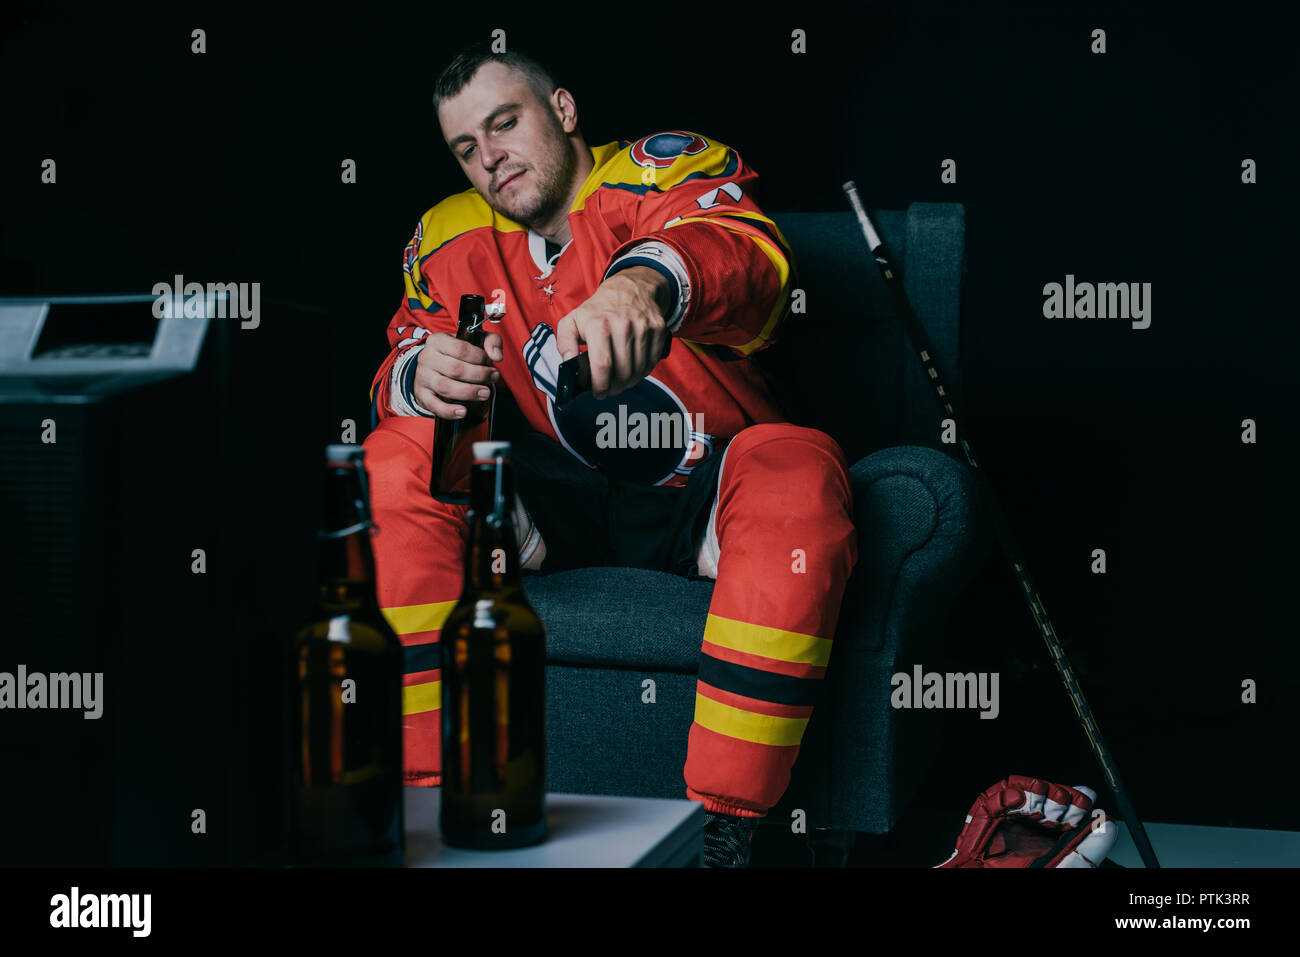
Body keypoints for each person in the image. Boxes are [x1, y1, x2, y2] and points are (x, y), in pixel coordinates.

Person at [363, 42, 859, 867]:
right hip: (545, 508)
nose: (489, 158)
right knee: (398, 450)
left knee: (798, 469)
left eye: (505, 123)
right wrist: (420, 373)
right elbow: (397, 356)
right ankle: (420, 804)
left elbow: (746, 255)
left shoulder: (661, 170)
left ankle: (727, 829)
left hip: (702, 494)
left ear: (561, 111)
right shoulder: (447, 237)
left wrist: (646, 283)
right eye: (465, 147)